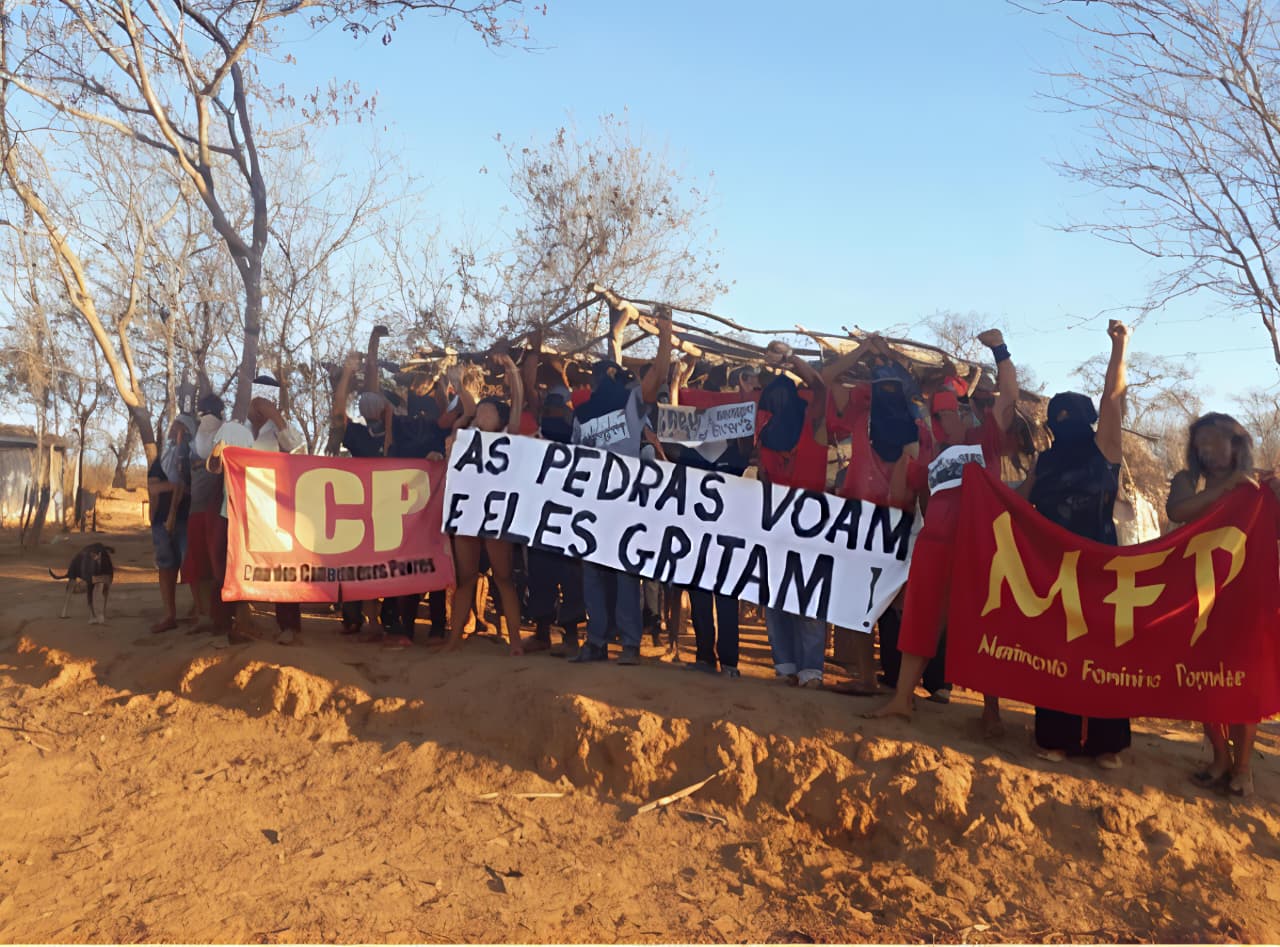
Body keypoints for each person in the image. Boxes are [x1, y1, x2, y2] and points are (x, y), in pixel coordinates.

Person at [870, 328, 1021, 722]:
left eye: (952, 410)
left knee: (984, 623)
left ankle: (991, 710)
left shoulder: (985, 440)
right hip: (935, 545)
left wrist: (1000, 351)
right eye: (940, 414)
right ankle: (902, 698)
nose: (946, 418)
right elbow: (898, 498)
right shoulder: (930, 456)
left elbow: (1009, 398)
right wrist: (905, 458)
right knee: (920, 621)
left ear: (967, 411)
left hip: (979, 546)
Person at [1020, 321, 1132, 770]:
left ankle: (1108, 743)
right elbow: (1017, 505)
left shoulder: (1104, 448)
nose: (1064, 426)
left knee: (1103, 652)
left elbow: (1113, 402)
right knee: (1055, 653)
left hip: (1100, 566)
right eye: (1058, 421)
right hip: (1052, 569)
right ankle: (1056, 737)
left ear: (1089, 422)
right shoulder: (1042, 462)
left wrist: (1120, 348)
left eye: (1073, 419)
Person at [1167, 412, 1279, 798]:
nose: (1208, 452)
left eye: (1216, 443)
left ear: (1238, 445)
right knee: (1204, 680)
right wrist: (1228, 486)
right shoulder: (1188, 480)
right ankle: (1219, 759)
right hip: (1199, 595)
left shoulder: (1262, 485)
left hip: (1250, 600)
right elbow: (1178, 512)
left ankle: (1243, 769)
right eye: (1201, 445)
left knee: (1244, 684)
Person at [818, 336, 930, 697]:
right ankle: (869, 678)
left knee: (894, 607)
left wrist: (877, 355)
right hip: (868, 522)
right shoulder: (869, 419)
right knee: (863, 603)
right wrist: (865, 351)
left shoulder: (914, 434)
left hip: (891, 525)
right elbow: (827, 376)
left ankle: (895, 683)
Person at [570, 309, 675, 665]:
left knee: (601, 574)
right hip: (615, 499)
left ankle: (602, 642)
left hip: (603, 501)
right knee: (616, 573)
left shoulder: (587, 413)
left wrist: (665, 332)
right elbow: (659, 375)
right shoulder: (624, 402)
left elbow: (570, 460)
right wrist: (665, 333)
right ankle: (622, 644)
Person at [671, 359, 759, 678]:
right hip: (696, 534)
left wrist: (744, 395)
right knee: (698, 595)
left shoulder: (735, 453)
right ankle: (705, 656)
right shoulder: (692, 450)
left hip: (727, 538)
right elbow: (674, 418)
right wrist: (677, 383)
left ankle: (730, 662)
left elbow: (747, 434)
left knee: (725, 596)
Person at [443, 352, 527, 655]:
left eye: (489, 409)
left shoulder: (508, 435)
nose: (483, 412)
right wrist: (458, 381)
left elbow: (518, 403)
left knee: (503, 578)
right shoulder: (464, 436)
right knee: (465, 579)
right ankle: (453, 640)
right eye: (482, 409)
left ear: (500, 418)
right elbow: (467, 404)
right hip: (467, 514)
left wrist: (513, 371)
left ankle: (516, 641)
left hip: (495, 516)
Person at [755, 344, 829, 688]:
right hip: (781, 528)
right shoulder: (768, 440)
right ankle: (787, 666)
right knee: (778, 597)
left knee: (805, 596)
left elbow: (820, 386)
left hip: (809, 528)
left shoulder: (812, 428)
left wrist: (791, 361)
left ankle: (808, 668)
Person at [245, 382, 306, 644]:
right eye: (255, 402)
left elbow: (298, 450)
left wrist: (276, 418)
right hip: (245, 507)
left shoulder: (280, 430)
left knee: (283, 566)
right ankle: (244, 621)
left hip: (276, 509)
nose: (257, 406)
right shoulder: (240, 428)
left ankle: (289, 626)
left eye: (263, 403)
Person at [185, 393, 231, 634]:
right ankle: (208, 615)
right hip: (208, 506)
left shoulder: (222, 431)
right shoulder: (197, 432)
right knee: (209, 565)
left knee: (212, 566)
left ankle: (214, 616)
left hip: (212, 506)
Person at [148, 414, 195, 634]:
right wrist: (176, 486)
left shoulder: (194, 459)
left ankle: (202, 613)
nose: (175, 433)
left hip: (187, 519)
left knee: (194, 566)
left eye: (180, 430)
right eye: (174, 429)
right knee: (166, 566)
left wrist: (177, 486)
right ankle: (169, 615)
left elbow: (196, 488)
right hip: (161, 521)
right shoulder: (161, 461)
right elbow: (154, 489)